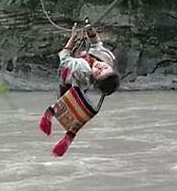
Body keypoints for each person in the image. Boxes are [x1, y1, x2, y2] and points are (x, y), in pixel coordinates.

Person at [39, 23, 120, 156]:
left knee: (72, 66)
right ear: (111, 68)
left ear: (95, 79)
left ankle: (52, 115)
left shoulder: (83, 70)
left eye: (99, 73)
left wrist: (72, 39)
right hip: (73, 72)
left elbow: (64, 58)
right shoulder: (108, 58)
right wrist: (91, 32)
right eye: (104, 68)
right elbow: (97, 45)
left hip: (68, 82)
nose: (100, 67)